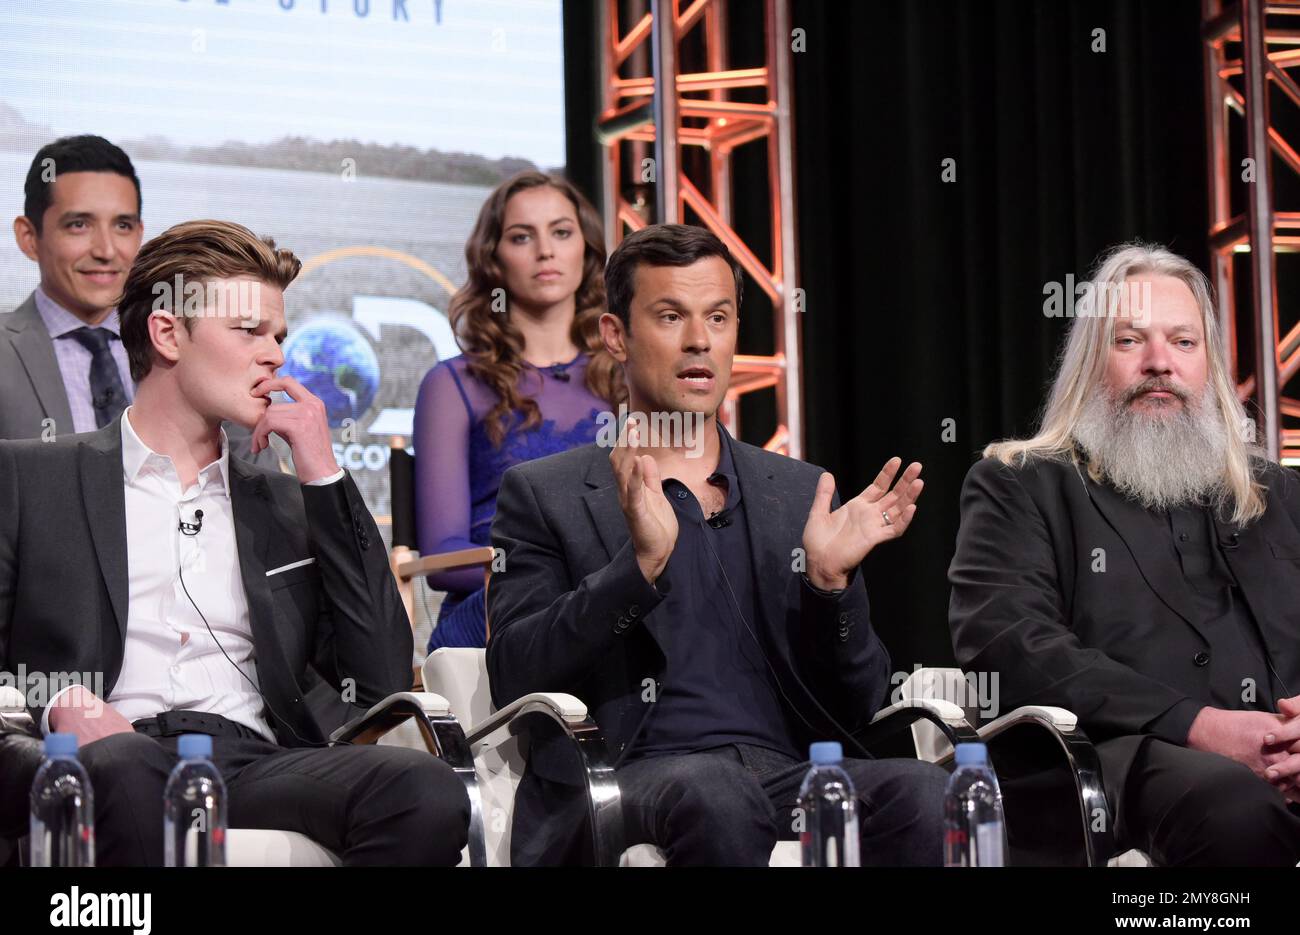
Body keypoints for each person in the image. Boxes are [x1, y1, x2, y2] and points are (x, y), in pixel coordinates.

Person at [0, 219, 469, 865]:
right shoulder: (30, 476)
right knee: (128, 768)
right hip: (99, 753)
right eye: (249, 332)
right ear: (167, 333)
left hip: (248, 759)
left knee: (425, 789)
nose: (275, 353)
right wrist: (57, 703)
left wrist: (323, 475)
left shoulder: (285, 503)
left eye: (278, 335)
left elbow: (378, 677)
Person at [486, 223, 948, 866]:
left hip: (783, 775)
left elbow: (860, 703)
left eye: (719, 317)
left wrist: (829, 588)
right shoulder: (547, 493)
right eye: (671, 315)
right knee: (716, 790)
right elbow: (514, 671)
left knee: (927, 792)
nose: (700, 340)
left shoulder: (798, 491)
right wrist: (639, 567)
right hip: (625, 780)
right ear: (615, 335)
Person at [949, 242, 1300, 866]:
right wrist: (1200, 726)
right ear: (1091, 362)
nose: (1160, 363)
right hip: (1126, 757)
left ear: (1210, 365)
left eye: (1184, 342)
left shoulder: (1278, 492)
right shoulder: (1022, 482)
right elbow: (1007, 643)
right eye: (1130, 340)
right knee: (1236, 809)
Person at [413, 171, 621, 650]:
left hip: (616, 602)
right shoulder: (454, 384)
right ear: (494, 260)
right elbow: (443, 557)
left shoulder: (626, 378)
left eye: (562, 232)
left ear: (586, 250)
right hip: (499, 610)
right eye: (521, 236)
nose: (545, 250)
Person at [0, 134, 273, 466]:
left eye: (123, 225)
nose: (106, 251)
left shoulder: (195, 345)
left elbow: (260, 485)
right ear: (29, 238)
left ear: (140, 234)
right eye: (78, 225)